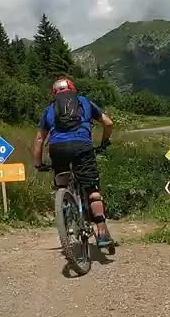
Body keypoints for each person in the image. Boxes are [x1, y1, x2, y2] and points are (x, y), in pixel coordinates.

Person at [31, 76, 115, 247]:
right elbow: (108, 123)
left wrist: (38, 164)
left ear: (55, 93)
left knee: (62, 184)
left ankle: (66, 212)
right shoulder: (84, 101)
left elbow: (39, 140)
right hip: (82, 147)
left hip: (58, 149)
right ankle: (101, 232)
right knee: (92, 190)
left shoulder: (50, 109)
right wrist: (104, 142)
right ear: (73, 90)